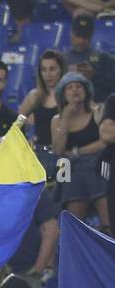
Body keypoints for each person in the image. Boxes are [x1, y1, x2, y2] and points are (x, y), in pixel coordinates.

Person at [51, 71, 110, 229]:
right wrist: (65, 121)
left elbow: (105, 142)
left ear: (86, 91)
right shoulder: (57, 120)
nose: (75, 90)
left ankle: (108, 228)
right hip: (71, 169)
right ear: (63, 94)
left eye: (78, 86)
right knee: (67, 169)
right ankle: (76, 232)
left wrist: (78, 152)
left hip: (98, 163)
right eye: (69, 87)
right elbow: (58, 151)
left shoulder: (98, 111)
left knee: (91, 168)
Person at [21, 49, 67, 148]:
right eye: (44, 70)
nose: (48, 74)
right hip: (40, 152)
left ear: (61, 70)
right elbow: (16, 124)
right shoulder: (34, 96)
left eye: (52, 69)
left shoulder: (69, 95)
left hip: (64, 152)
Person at [66, 14, 115, 102]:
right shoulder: (61, 59)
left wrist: (94, 76)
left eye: (85, 36)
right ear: (71, 34)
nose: (81, 40)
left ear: (91, 35)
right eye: (78, 35)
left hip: (97, 104)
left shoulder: (104, 58)